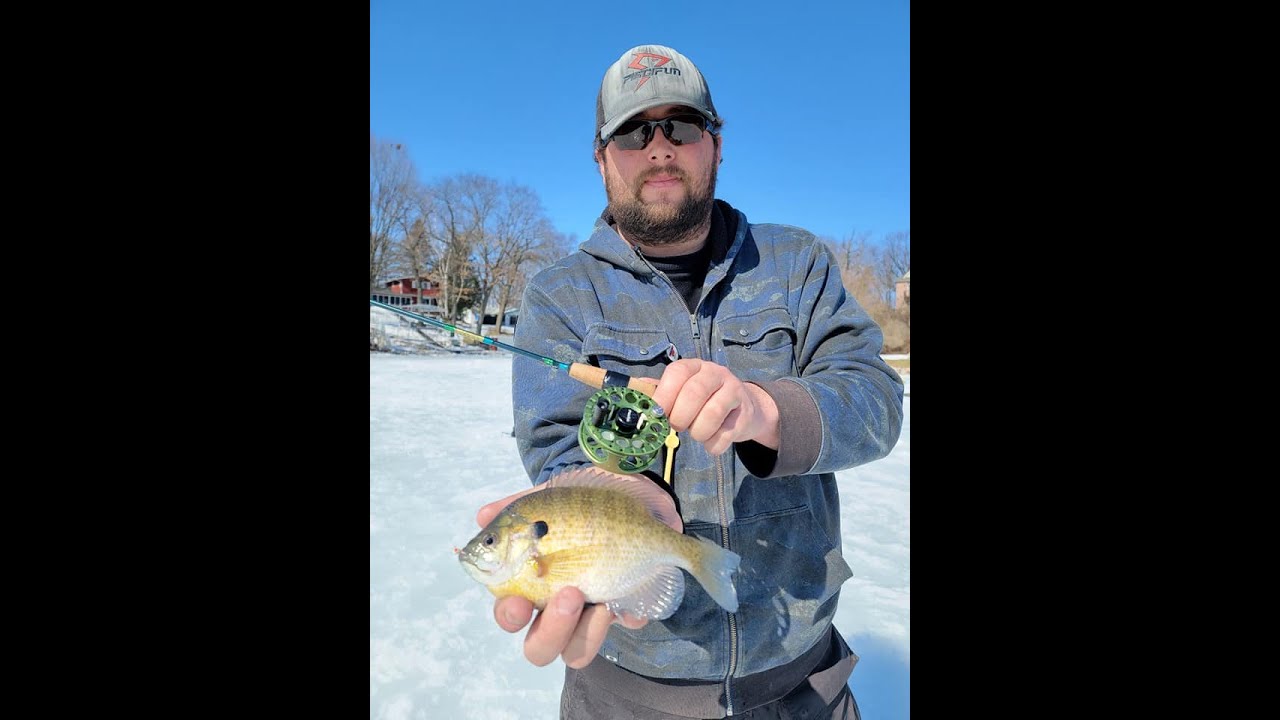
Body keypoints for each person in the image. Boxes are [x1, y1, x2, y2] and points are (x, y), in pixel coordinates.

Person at [478, 43, 904, 719]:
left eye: (680, 125)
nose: (659, 147)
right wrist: (631, 493)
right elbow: (556, 446)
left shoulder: (796, 264)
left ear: (715, 144)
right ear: (601, 155)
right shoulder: (559, 294)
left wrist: (767, 411)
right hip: (627, 688)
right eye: (632, 130)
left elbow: (876, 401)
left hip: (805, 680)